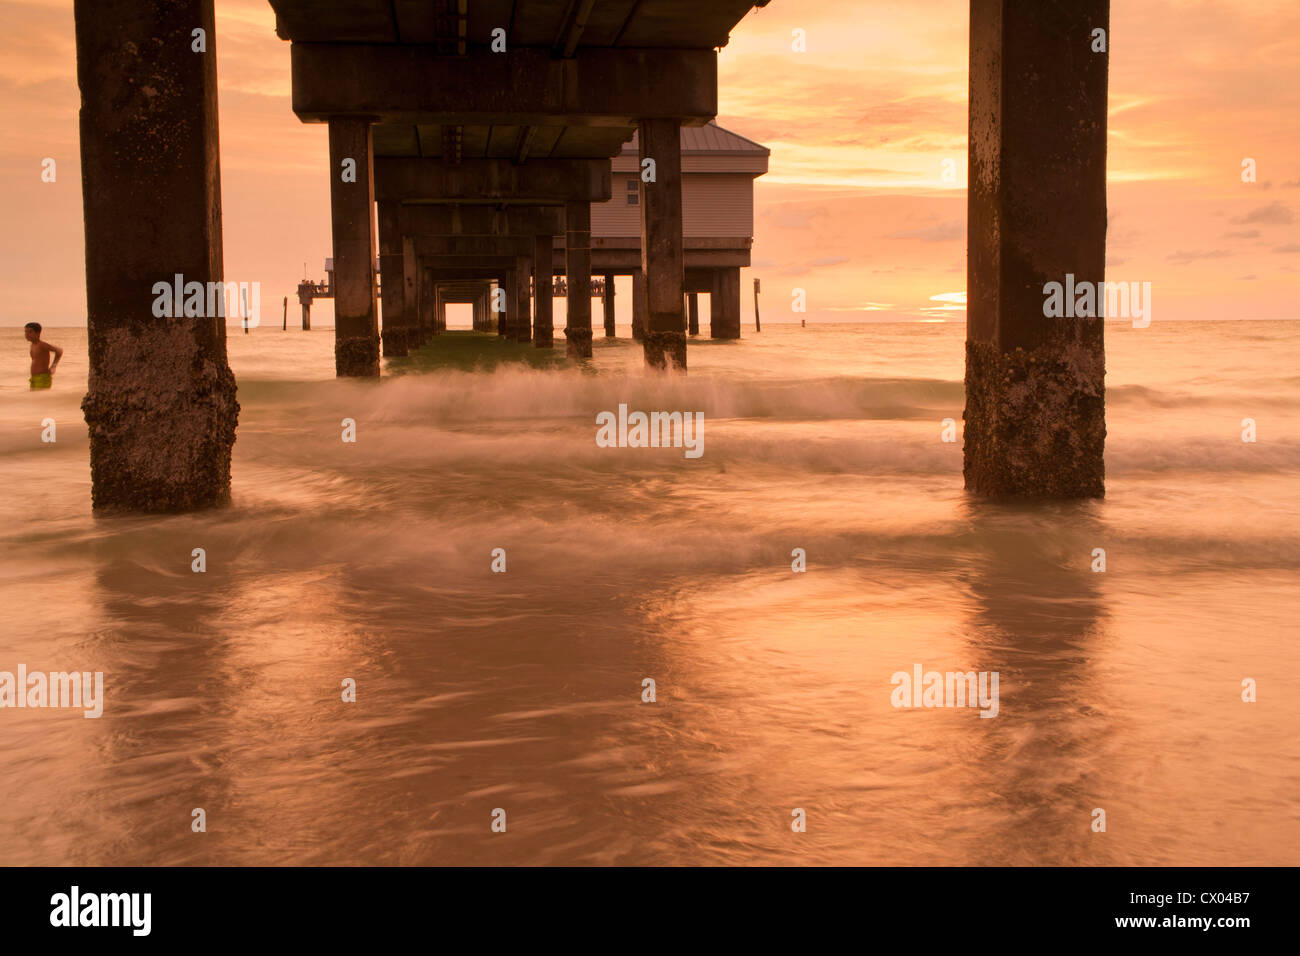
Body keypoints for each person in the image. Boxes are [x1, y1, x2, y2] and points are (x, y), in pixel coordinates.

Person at [24, 322, 62, 389]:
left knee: (38, 398)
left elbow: (59, 351)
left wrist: (53, 366)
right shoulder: (32, 345)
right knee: (33, 399)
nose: (27, 334)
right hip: (34, 378)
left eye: (30, 332)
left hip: (42, 377)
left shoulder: (42, 345)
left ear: (38, 333)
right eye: (25, 332)